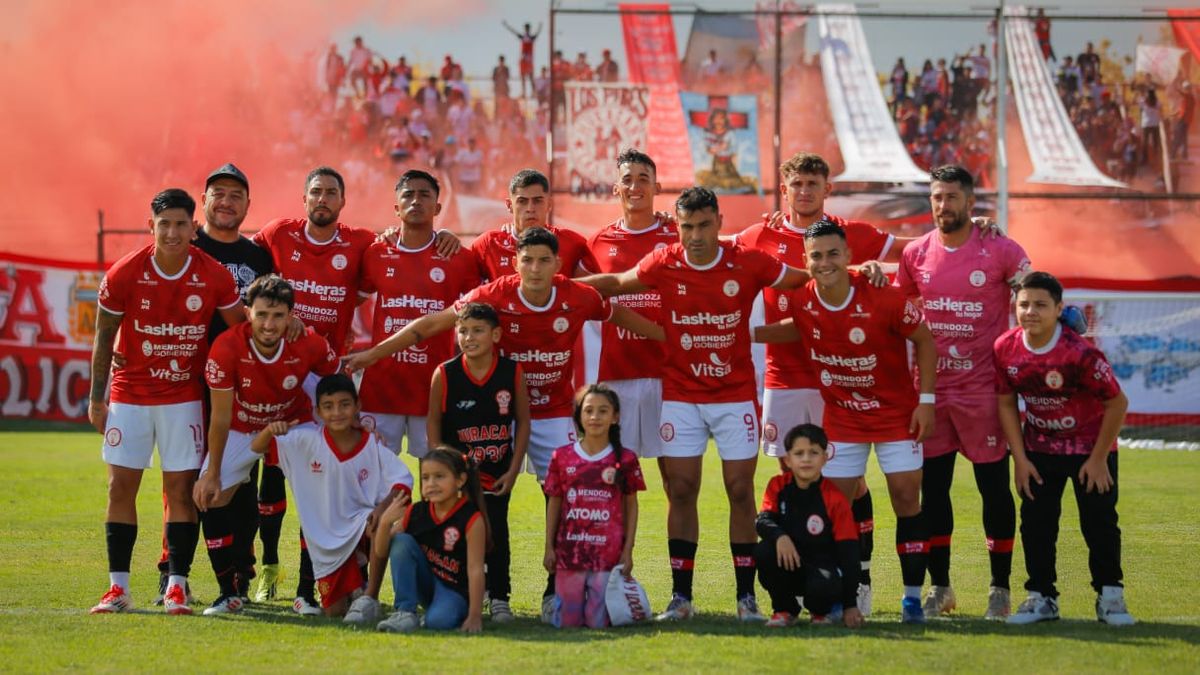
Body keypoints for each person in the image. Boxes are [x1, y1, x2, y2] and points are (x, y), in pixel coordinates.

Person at [344, 226, 663, 622]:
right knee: (487, 502)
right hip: (500, 415)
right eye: (527, 260)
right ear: (515, 263)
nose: (535, 268)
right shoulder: (493, 295)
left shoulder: (577, 295)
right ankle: (486, 593)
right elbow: (430, 325)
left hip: (551, 412)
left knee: (569, 497)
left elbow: (617, 312)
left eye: (544, 260)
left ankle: (556, 593)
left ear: (558, 264)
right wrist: (373, 354)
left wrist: (667, 336)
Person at [578, 187, 819, 623]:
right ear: (677, 226)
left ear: (719, 222)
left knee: (740, 490)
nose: (695, 236)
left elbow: (803, 278)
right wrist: (555, 286)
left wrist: (860, 272)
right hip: (681, 398)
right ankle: (681, 598)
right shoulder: (664, 261)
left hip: (734, 396)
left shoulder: (748, 261)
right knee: (682, 490)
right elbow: (615, 283)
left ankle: (746, 597)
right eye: (687, 226)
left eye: (704, 225)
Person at [740, 152, 903, 616]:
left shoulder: (853, 234)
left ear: (827, 188)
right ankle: (808, 580)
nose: (805, 191)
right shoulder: (759, 235)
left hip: (839, 377)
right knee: (795, 478)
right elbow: (710, 245)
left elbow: (915, 251)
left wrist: (970, 228)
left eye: (813, 183)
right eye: (797, 183)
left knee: (849, 483)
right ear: (784, 188)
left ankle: (859, 577)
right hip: (784, 379)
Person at [753, 218, 937, 624]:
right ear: (806, 260)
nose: (825, 262)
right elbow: (797, 328)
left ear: (849, 255)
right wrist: (749, 335)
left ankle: (911, 599)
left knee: (907, 499)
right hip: (843, 419)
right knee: (833, 507)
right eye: (816, 256)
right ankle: (841, 597)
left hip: (895, 416)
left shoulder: (881, 294)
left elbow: (924, 339)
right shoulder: (802, 299)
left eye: (833, 254)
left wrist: (926, 401)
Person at [88, 189, 242, 615]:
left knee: (180, 492)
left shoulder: (213, 274)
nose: (172, 233)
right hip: (130, 395)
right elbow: (103, 337)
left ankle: (176, 586)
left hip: (183, 397)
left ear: (194, 228)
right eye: (164, 224)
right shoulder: (124, 272)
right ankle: (117, 588)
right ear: (150, 226)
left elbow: (240, 331)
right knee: (120, 487)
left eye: (180, 224)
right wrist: (97, 399)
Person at [896, 164, 1031, 620]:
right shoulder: (915, 253)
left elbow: (1034, 291)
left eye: (952, 196)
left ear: (970, 203)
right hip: (932, 394)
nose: (943, 205)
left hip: (984, 394)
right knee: (934, 493)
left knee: (994, 490)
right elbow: (896, 309)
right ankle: (941, 588)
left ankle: (1000, 589)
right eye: (937, 197)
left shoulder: (1001, 249)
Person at [194, 275, 342, 614]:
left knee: (319, 500)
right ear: (248, 313)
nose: (269, 324)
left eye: (278, 316)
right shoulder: (227, 347)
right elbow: (220, 418)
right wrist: (212, 472)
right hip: (242, 427)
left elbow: (335, 388)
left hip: (294, 426)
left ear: (291, 315)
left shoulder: (310, 343)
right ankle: (227, 593)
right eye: (261, 315)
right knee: (209, 496)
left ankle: (306, 593)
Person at [994, 272, 1135, 626]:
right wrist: (1019, 459)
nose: (1031, 312)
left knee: (1099, 524)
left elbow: (1117, 403)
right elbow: (1006, 403)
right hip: (1039, 449)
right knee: (1036, 526)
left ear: (1058, 309)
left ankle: (1111, 598)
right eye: (1024, 304)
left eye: (1041, 305)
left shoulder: (1080, 353)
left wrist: (1099, 459)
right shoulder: (1005, 348)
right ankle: (1042, 598)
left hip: (1091, 449)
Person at [251, 374, 414, 618]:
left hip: (361, 526)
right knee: (334, 612)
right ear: (318, 411)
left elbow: (403, 482)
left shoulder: (371, 444)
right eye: (328, 406)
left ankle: (369, 595)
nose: (337, 412)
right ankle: (354, 587)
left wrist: (381, 510)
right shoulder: (307, 440)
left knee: (380, 523)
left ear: (357, 406)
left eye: (344, 404)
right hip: (325, 539)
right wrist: (269, 430)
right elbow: (257, 447)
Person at [356, 170, 480, 462]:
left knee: (438, 472)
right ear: (396, 207)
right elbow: (351, 299)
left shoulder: (459, 258)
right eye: (408, 195)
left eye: (424, 195)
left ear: (437, 208)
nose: (415, 201)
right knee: (373, 473)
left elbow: (478, 314)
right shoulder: (376, 253)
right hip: (381, 389)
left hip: (433, 389)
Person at [426, 301, 530, 623]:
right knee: (453, 535)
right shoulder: (445, 373)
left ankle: (499, 597)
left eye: (477, 331)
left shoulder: (511, 371)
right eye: (463, 331)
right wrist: (442, 470)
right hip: (459, 477)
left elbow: (523, 422)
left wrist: (514, 470)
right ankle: (458, 593)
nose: (469, 337)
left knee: (495, 533)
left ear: (496, 334)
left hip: (497, 474)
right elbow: (433, 422)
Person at [580, 150, 678, 474]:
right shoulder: (596, 243)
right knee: (616, 478)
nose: (635, 187)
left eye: (643, 179)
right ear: (616, 188)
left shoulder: (677, 235)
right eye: (627, 179)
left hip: (668, 373)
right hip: (617, 376)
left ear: (656, 187)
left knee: (677, 481)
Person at [543, 384, 646, 628]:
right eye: (588, 410)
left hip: (607, 557)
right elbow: (554, 501)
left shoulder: (626, 459)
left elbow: (631, 506)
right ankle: (556, 608)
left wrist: (628, 550)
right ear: (579, 416)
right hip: (570, 553)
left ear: (615, 417)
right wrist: (549, 547)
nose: (595, 417)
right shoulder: (562, 456)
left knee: (597, 623)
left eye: (603, 411)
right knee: (567, 624)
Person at [756, 424, 862, 628]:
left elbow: (849, 553)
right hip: (790, 565)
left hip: (822, 570)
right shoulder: (778, 486)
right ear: (788, 460)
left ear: (825, 458)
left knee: (825, 584)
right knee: (763, 551)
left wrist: (850, 605)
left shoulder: (835, 498)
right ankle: (784, 609)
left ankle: (820, 612)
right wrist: (780, 536)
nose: (806, 459)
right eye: (799, 453)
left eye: (813, 453)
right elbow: (762, 521)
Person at [373, 447, 488, 633]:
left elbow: (475, 569)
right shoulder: (416, 512)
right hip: (427, 584)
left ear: (460, 480)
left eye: (439, 476)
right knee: (401, 541)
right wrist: (385, 522)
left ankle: (443, 612)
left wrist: (475, 616)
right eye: (425, 478)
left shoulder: (471, 518)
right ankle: (404, 612)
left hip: (455, 590)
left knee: (438, 622)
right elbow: (381, 551)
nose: (431, 484)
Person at [472, 169, 599, 281]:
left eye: (537, 201)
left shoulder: (573, 244)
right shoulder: (488, 245)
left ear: (549, 204)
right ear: (509, 205)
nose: (530, 208)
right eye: (522, 201)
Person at [503, 20, 542, 99]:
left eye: (528, 28)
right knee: (523, 77)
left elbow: (537, 34)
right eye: (526, 28)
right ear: (525, 29)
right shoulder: (523, 37)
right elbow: (514, 32)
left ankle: (533, 92)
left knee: (530, 77)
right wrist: (507, 26)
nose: (527, 30)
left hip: (529, 60)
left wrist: (540, 27)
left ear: (529, 29)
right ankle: (524, 93)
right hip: (523, 60)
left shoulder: (531, 38)